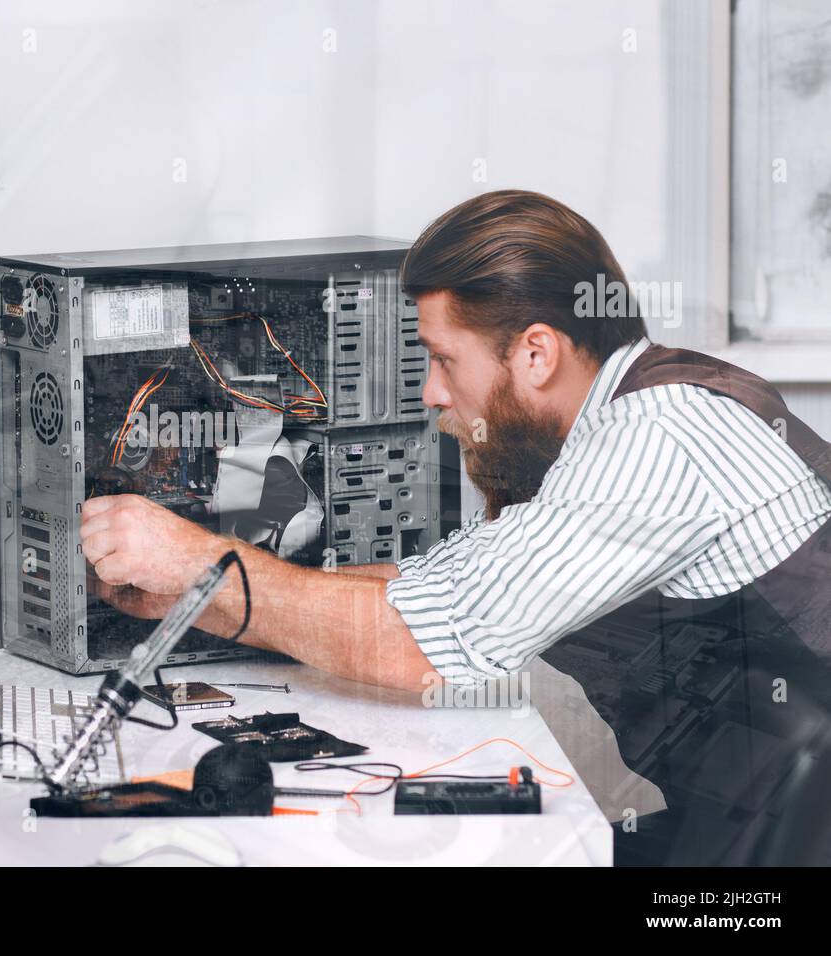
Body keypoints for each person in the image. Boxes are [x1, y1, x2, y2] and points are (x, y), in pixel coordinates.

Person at [80, 190, 831, 864]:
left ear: (535, 352)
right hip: (737, 825)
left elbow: (425, 642)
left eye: (443, 359)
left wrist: (197, 558)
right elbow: (432, 584)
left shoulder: (663, 432)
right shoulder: (613, 427)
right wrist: (200, 596)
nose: (433, 393)